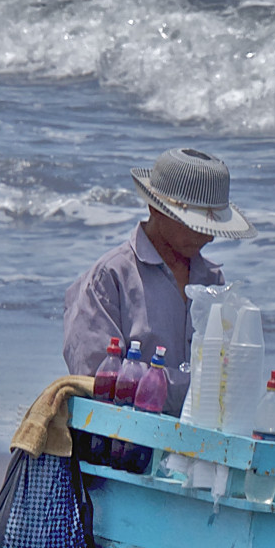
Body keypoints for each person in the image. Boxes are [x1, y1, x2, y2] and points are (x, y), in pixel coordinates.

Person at [63, 147, 257, 408]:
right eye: (197, 226)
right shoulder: (110, 278)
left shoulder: (213, 282)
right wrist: (193, 386)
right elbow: (96, 380)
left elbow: (226, 372)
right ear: (155, 208)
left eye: (211, 228)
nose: (209, 237)